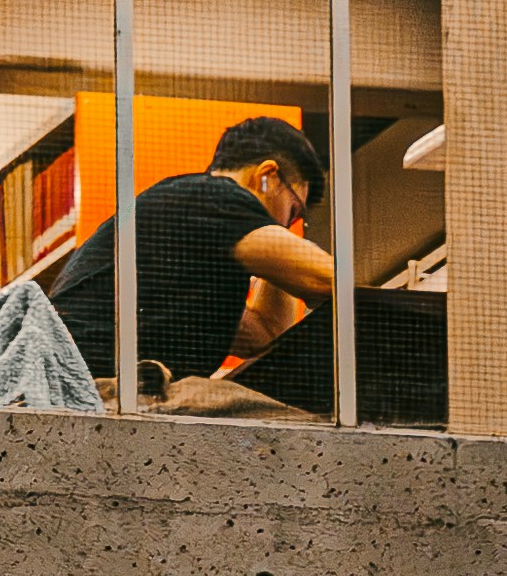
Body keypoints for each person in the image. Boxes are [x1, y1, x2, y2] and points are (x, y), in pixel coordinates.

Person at [40, 112, 333, 400]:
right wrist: (285, 249)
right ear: (267, 177)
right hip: (102, 389)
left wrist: (279, 261)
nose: (289, 227)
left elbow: (264, 335)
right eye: (294, 211)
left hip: (69, 386)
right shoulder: (217, 197)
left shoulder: (189, 230)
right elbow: (329, 279)